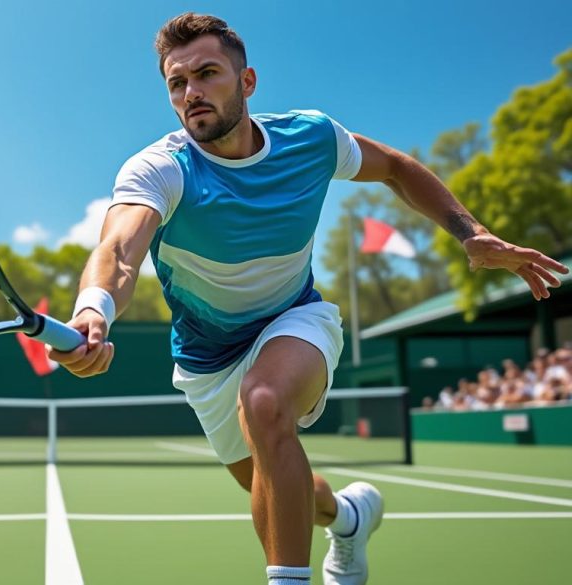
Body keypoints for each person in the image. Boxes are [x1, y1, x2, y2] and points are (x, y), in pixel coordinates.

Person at [47, 12, 569, 585]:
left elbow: (395, 167)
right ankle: (346, 518)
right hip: (206, 359)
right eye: (177, 83)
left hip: (294, 319)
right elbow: (120, 249)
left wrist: (470, 233)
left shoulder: (311, 137)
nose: (191, 92)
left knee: (265, 401)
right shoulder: (160, 168)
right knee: (272, 485)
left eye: (207, 73)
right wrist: (94, 307)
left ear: (247, 83)